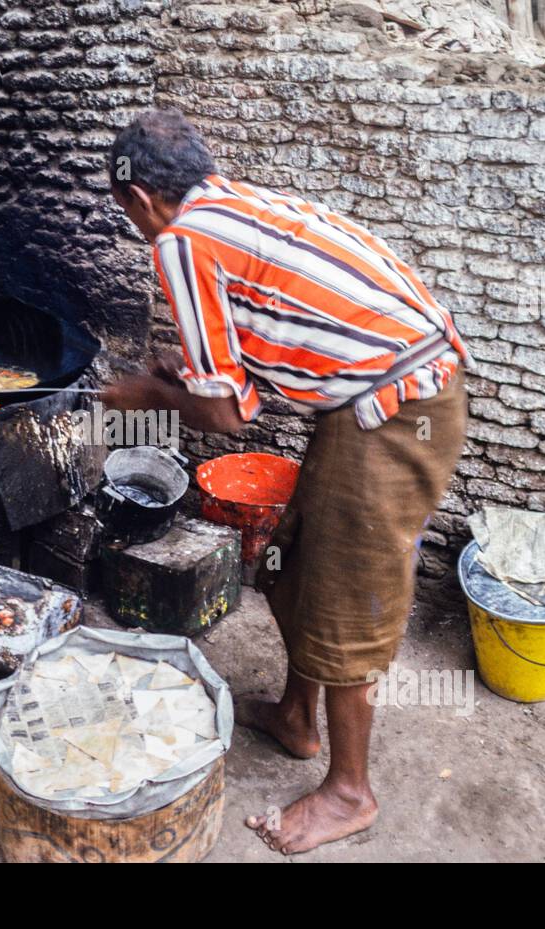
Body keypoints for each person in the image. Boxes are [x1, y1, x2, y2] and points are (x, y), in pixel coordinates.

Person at [101, 109, 470, 854]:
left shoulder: (179, 241)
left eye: (127, 213)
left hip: (398, 409)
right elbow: (265, 361)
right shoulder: (235, 203)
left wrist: (150, 396)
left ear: (139, 198)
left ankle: (350, 791)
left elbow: (225, 418)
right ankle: (299, 718)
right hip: (376, 392)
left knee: (349, 588)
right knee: (296, 549)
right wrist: (186, 377)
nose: (135, 226)